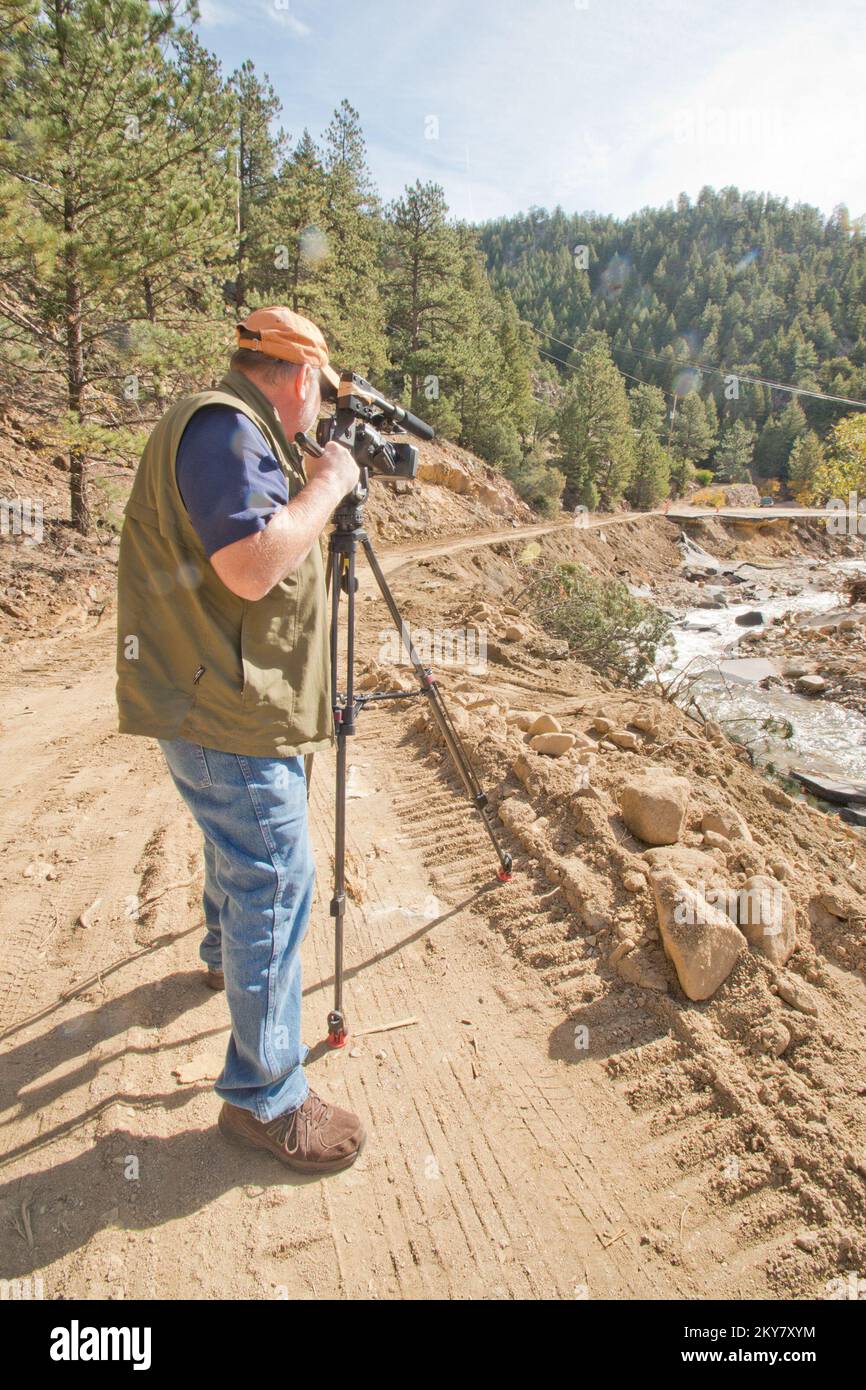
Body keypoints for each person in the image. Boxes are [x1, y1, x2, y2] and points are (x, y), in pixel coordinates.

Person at [115, 307, 365, 1174]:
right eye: (320, 394)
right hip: (224, 710)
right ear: (299, 376)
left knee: (241, 853)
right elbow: (254, 566)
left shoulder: (234, 431)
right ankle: (266, 1099)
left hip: (222, 699)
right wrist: (330, 485)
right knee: (275, 875)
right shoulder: (223, 432)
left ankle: (225, 959)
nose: (319, 413)